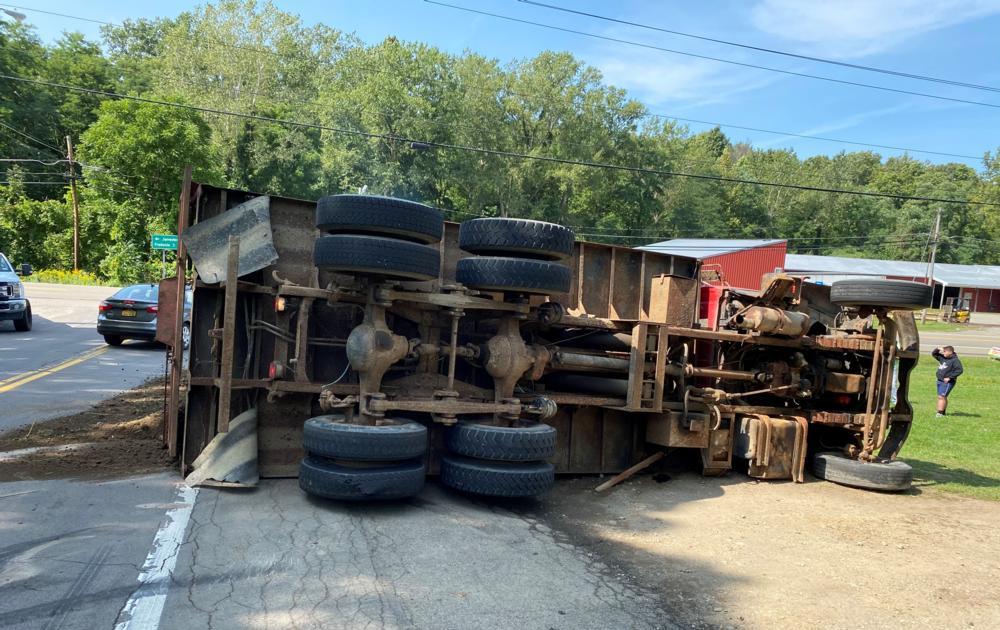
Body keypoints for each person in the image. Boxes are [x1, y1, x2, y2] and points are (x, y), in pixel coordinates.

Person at [931, 346, 963, 417]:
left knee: (941, 396)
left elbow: (959, 370)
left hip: (947, 382)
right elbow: (934, 354)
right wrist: (938, 349)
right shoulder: (943, 358)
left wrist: (950, 377)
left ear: (950, 352)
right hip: (940, 380)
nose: (943, 353)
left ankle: (940, 413)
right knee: (942, 397)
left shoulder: (955, 360)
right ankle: (943, 412)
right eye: (943, 351)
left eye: (945, 352)